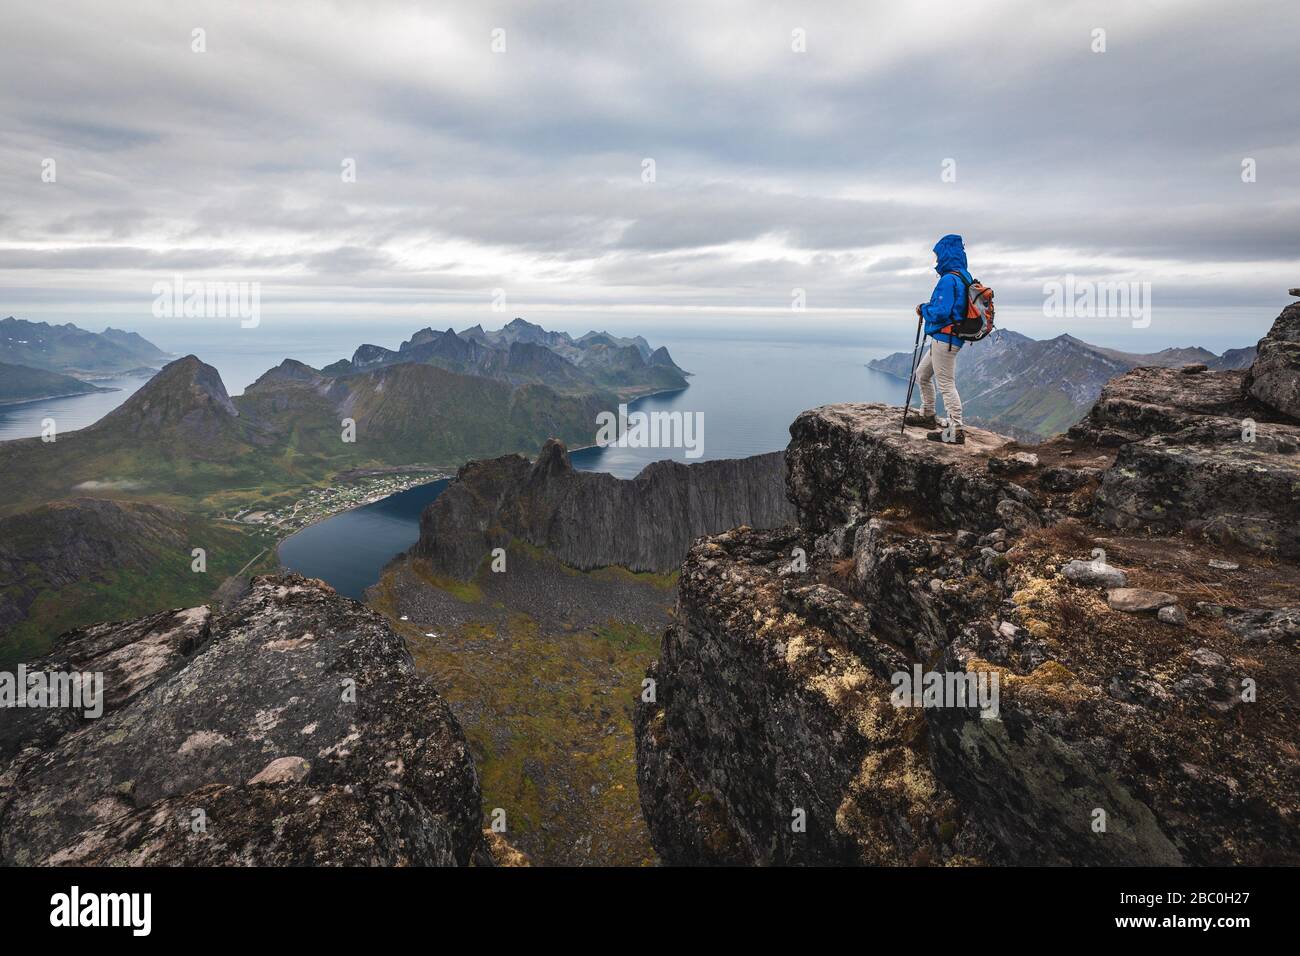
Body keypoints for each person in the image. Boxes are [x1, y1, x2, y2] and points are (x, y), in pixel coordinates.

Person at [906, 234, 970, 444]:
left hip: (945, 338)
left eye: (938, 255)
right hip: (949, 337)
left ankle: (955, 431)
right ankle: (927, 415)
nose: (936, 260)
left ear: (946, 254)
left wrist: (923, 309)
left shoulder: (948, 279)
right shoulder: (963, 276)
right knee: (922, 374)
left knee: (946, 384)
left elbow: (941, 311)